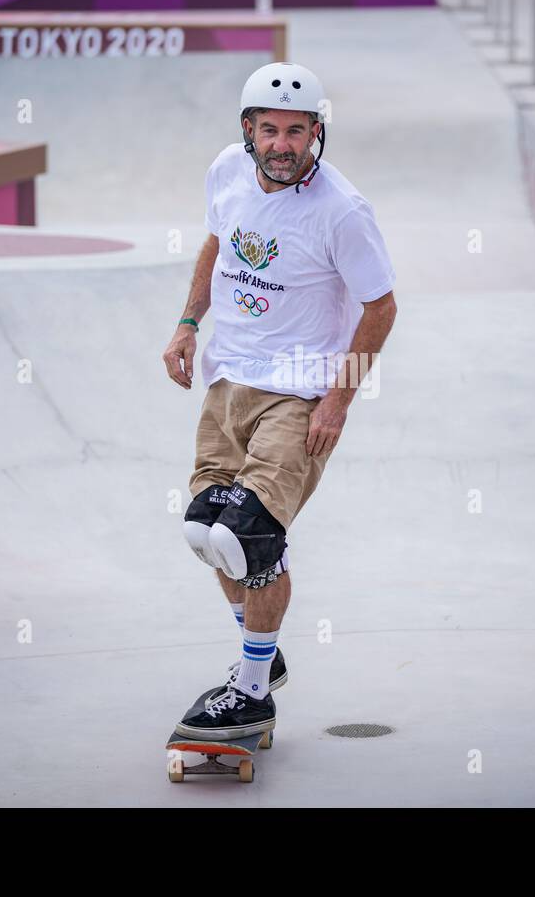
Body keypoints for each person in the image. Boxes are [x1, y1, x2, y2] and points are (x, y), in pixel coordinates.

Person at [161, 62, 398, 740]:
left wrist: (338, 400)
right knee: (206, 529)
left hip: (300, 390)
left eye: (298, 131)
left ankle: (254, 691)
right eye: (271, 130)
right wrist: (186, 323)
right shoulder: (226, 174)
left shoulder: (342, 211)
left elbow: (381, 307)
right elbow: (216, 242)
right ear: (248, 131)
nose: (284, 145)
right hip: (226, 379)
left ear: (317, 132)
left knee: (250, 537)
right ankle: (262, 648)